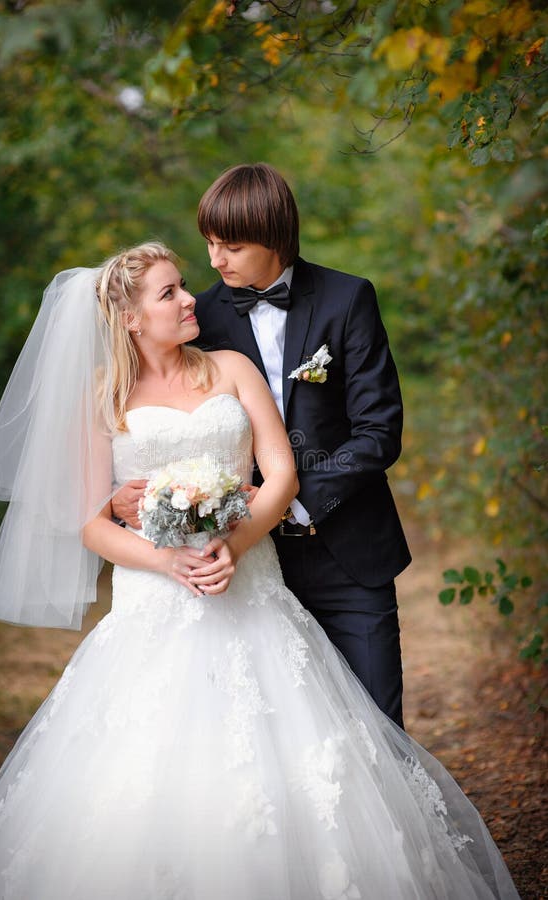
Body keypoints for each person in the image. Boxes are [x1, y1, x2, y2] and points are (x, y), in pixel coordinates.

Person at [0, 242, 519, 899]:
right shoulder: (102, 400)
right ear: (131, 318)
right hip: (153, 599)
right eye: (168, 293)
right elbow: (91, 524)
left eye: (183, 285)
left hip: (253, 585)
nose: (190, 298)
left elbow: (280, 472)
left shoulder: (231, 368)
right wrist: (169, 560)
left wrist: (238, 542)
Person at [113, 163, 410, 728]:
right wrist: (123, 502)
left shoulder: (347, 299)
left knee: (380, 734)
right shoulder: (199, 316)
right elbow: (157, 420)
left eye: (232, 245)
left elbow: (379, 432)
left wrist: (289, 496)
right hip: (244, 572)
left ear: (274, 239)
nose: (215, 260)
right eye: (209, 244)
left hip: (350, 553)